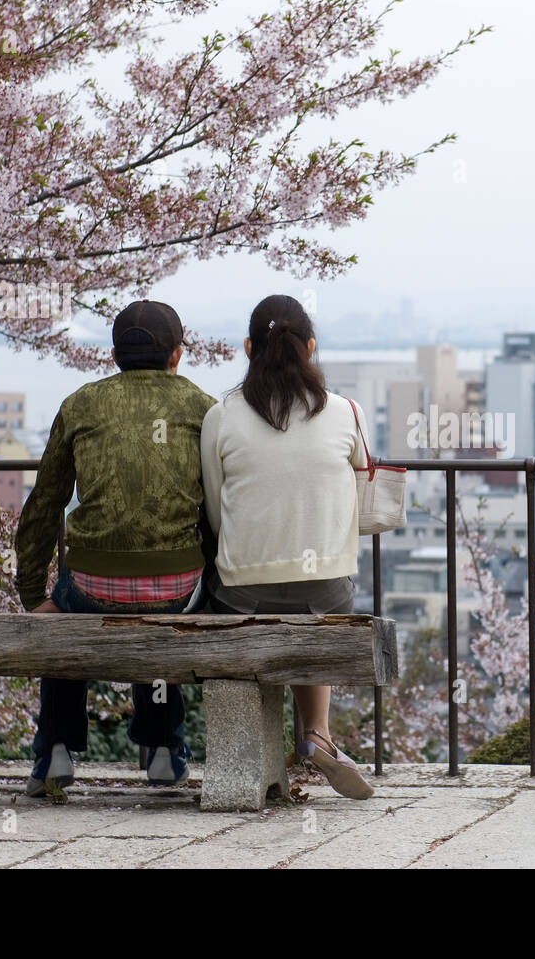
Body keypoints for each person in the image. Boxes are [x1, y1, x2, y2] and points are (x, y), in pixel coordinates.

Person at [14, 300, 217, 797]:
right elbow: (219, 506)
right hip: (179, 586)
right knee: (156, 619)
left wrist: (29, 592)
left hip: (90, 585)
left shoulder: (81, 404)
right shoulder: (204, 408)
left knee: (64, 615)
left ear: (113, 355)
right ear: (178, 355)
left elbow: (45, 503)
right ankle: (164, 748)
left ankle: (56, 749)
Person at [199, 294, 374, 799]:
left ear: (249, 347)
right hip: (325, 593)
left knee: (258, 586)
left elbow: (215, 510)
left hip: (242, 595)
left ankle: (252, 751)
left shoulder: (222, 416)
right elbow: (361, 482)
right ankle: (316, 733)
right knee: (316, 599)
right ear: (311, 348)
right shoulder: (345, 412)